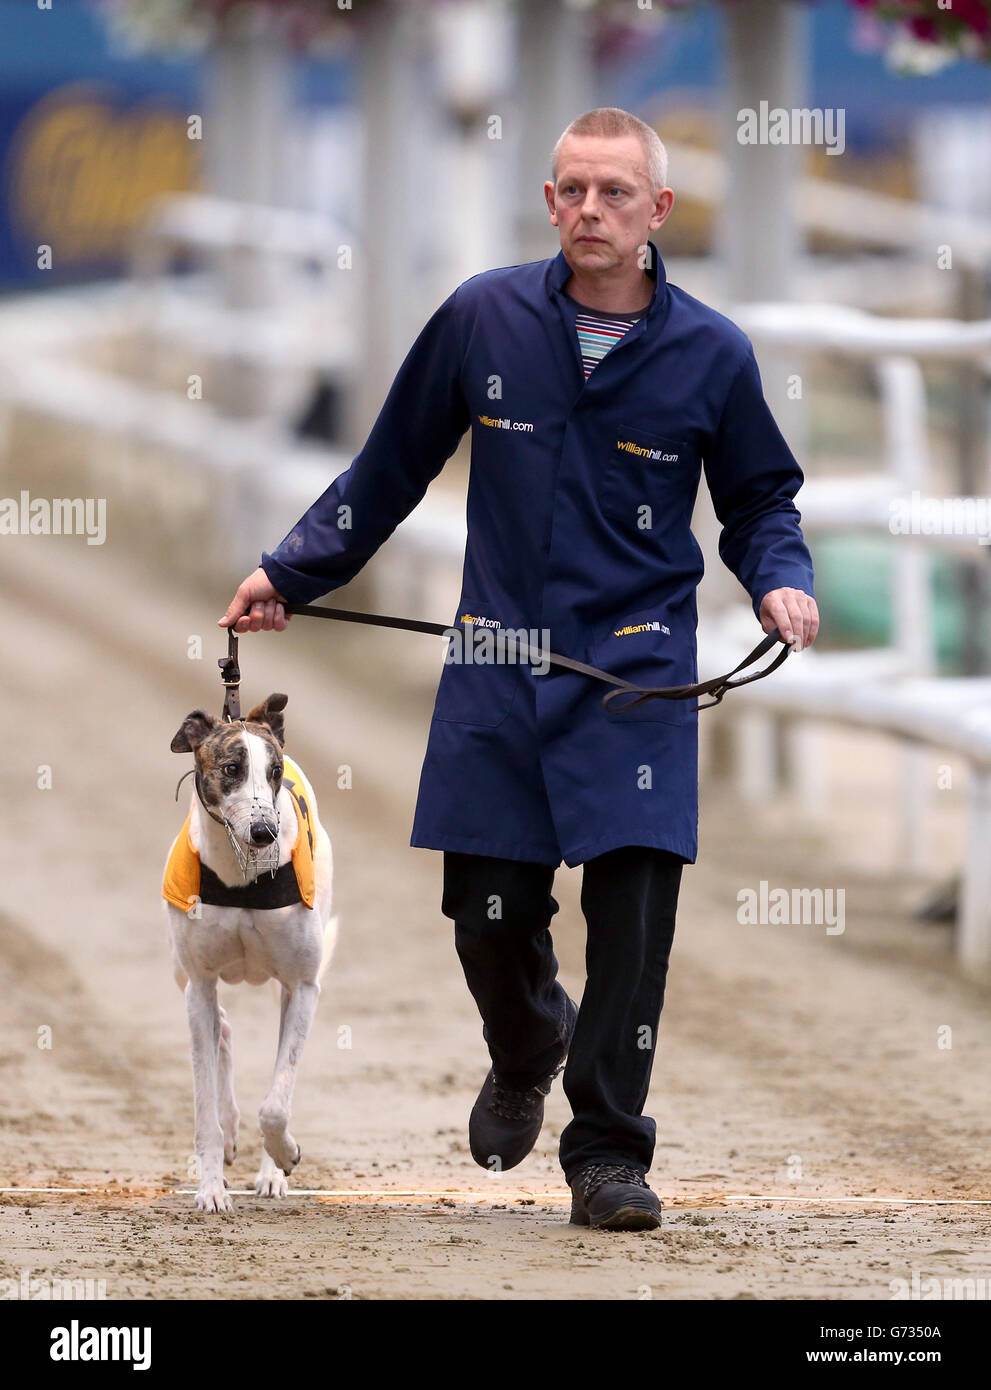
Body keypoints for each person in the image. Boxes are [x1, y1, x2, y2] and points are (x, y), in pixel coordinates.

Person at [221, 107, 819, 1231]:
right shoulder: (481, 318)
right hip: (496, 663)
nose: (589, 211)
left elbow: (758, 501)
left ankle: (607, 1152)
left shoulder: (711, 354)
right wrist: (291, 573)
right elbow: (388, 463)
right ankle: (526, 1037)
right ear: (549, 203)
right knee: (486, 914)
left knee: (633, 924)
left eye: (612, 194)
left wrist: (780, 576)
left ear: (657, 213)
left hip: (638, 678)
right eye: (571, 191)